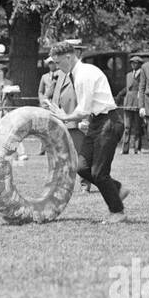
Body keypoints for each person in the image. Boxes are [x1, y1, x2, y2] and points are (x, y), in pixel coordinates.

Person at [45, 40, 128, 220]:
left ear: (69, 56)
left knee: (99, 173)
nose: (57, 67)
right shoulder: (76, 73)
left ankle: (117, 212)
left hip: (109, 122)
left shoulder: (84, 75)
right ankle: (118, 189)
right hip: (97, 122)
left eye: (58, 63)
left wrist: (64, 116)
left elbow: (83, 110)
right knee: (81, 167)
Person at [120, 54, 145, 155]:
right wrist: (119, 96)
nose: (133, 65)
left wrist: (141, 104)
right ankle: (125, 148)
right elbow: (127, 88)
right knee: (127, 127)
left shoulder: (143, 75)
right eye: (132, 63)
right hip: (128, 103)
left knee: (137, 128)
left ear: (139, 64)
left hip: (137, 103)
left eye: (135, 63)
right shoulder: (128, 75)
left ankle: (137, 149)